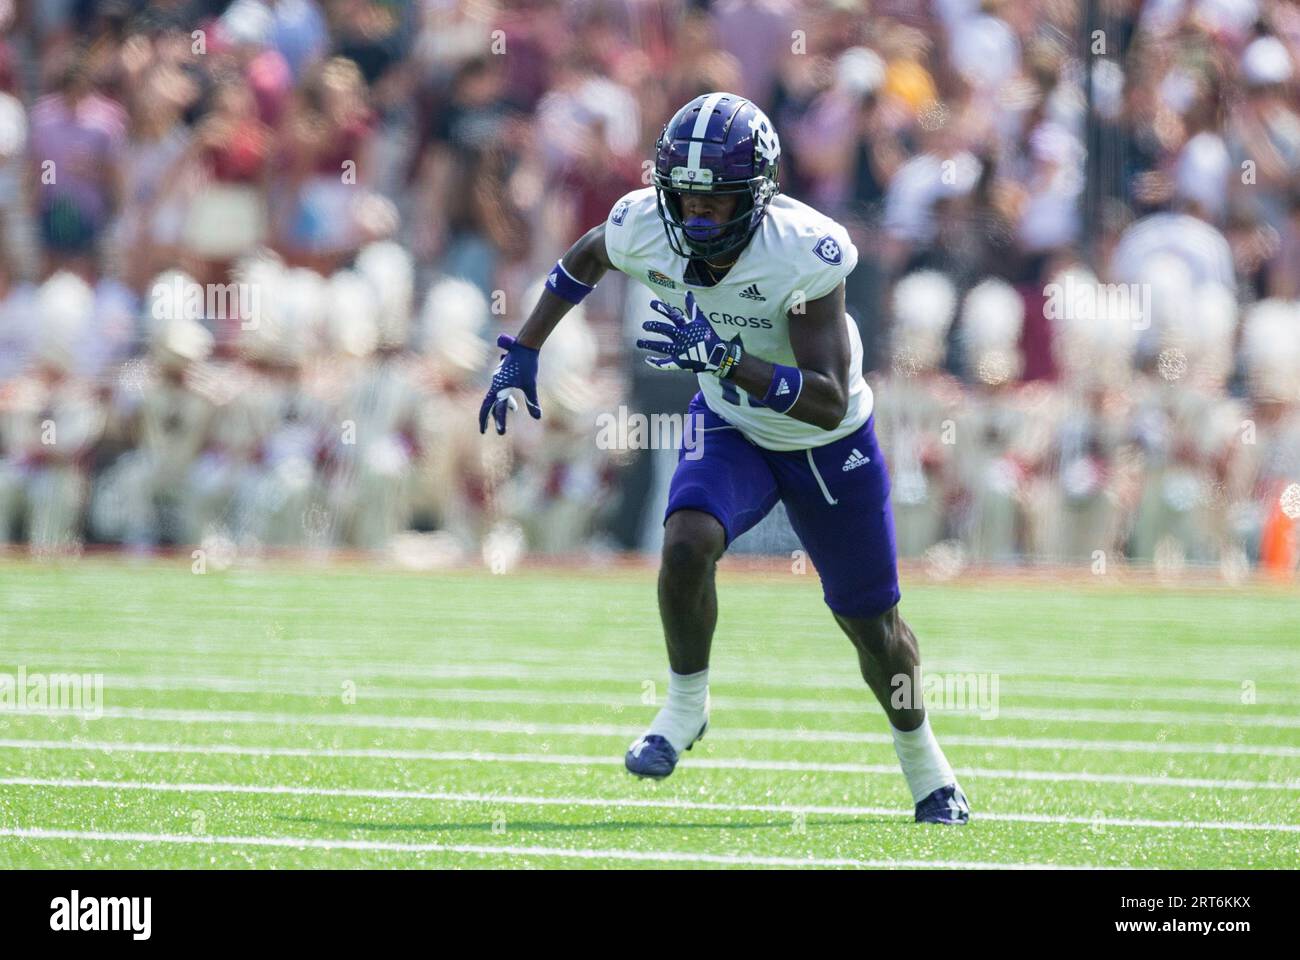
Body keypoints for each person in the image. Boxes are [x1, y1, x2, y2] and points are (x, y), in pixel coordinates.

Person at [478, 92, 969, 824]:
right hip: (733, 424)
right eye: (688, 200)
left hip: (826, 446)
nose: (700, 218)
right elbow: (584, 257)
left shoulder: (804, 250)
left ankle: (928, 770)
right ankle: (684, 708)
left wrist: (730, 359)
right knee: (685, 542)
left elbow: (827, 399)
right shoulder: (645, 222)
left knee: (874, 629)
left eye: (720, 202)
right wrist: (524, 348)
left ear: (759, 196)